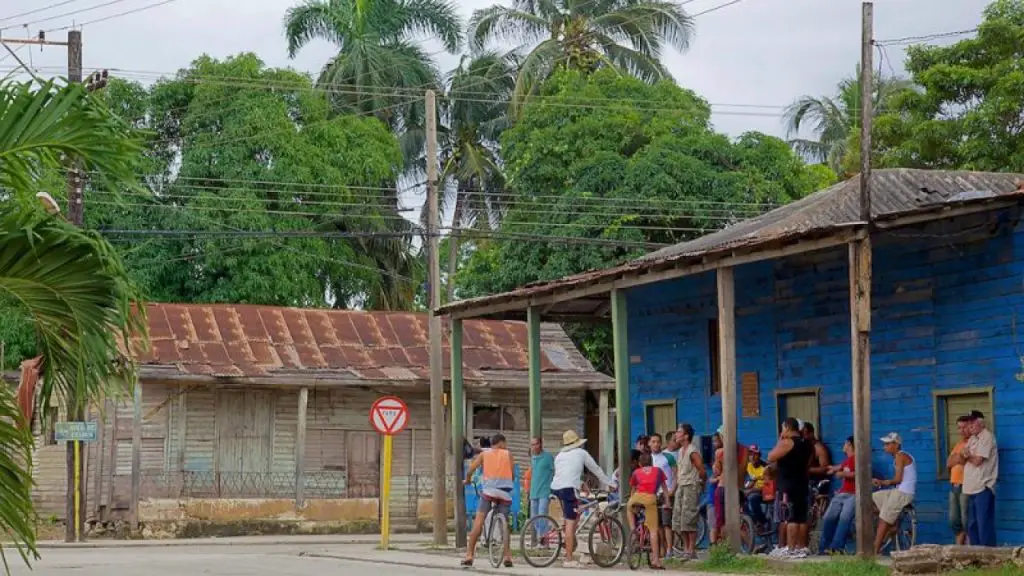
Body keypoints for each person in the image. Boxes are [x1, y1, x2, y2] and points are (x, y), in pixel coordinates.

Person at [551, 430, 616, 568]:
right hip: (569, 489)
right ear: (577, 443)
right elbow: (596, 469)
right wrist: (611, 483)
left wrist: (581, 484)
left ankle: (568, 541)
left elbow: (565, 473)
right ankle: (569, 559)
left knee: (575, 516)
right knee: (570, 523)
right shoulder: (582, 453)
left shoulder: (559, 455)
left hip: (557, 488)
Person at [462, 434, 515, 567]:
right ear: (502, 443)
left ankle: (469, 555)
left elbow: (470, 470)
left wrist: (467, 480)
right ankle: (507, 556)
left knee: (478, 522)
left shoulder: (484, 455)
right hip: (504, 494)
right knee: (505, 524)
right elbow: (513, 475)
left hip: (489, 492)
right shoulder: (508, 454)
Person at [768, 417, 812, 559]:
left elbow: (771, 456)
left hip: (788, 484)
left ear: (787, 427)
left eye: (783, 428)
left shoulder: (787, 442)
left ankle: (791, 548)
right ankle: (801, 547)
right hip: (802, 482)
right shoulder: (808, 444)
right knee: (801, 517)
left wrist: (780, 439)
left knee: (790, 517)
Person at [872, 432, 916, 555]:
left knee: (883, 519)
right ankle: (892, 525)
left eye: (887, 444)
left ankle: (874, 551)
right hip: (897, 490)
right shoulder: (899, 456)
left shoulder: (900, 456)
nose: (884, 447)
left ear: (896, 445)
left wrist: (882, 482)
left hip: (903, 493)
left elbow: (898, 479)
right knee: (870, 499)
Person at [962, 411, 998, 547]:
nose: (969, 425)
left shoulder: (987, 437)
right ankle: (976, 553)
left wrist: (967, 456)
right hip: (971, 487)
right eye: (968, 422)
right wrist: (966, 455)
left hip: (983, 487)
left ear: (981, 422)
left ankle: (988, 554)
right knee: (972, 523)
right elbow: (961, 454)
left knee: (984, 522)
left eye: (972, 422)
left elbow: (977, 460)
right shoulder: (972, 439)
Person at [628, 453, 668, 570]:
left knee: (629, 510)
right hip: (650, 499)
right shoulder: (658, 471)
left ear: (640, 464)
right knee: (653, 530)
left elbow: (633, 489)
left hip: (636, 498)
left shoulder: (636, 472)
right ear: (652, 462)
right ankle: (656, 560)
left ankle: (633, 531)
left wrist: (631, 501)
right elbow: (664, 487)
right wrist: (667, 503)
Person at [710, 425, 748, 546]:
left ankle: (724, 547)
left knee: (722, 522)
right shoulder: (745, 450)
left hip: (723, 488)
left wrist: (715, 466)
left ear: (722, 436)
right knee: (736, 520)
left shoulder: (720, 452)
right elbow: (744, 470)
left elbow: (716, 472)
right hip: (739, 488)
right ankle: (749, 543)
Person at [672, 424, 706, 561]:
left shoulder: (692, 451)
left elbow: (701, 470)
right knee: (679, 519)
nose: (676, 434)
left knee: (689, 518)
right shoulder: (680, 451)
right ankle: (686, 548)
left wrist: (701, 483)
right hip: (681, 486)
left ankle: (691, 549)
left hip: (691, 486)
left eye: (679, 432)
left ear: (686, 435)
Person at [818, 436, 856, 554]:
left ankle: (836, 547)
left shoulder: (858, 458)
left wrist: (842, 474)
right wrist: (830, 469)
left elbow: (859, 472)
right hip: (841, 494)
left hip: (853, 494)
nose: (843, 446)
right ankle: (824, 547)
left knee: (844, 518)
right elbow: (837, 468)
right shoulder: (847, 460)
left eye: (845, 444)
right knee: (829, 517)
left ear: (849, 444)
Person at [649, 433, 677, 561]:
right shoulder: (647, 459)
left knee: (667, 524)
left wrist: (672, 489)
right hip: (653, 495)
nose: (656, 444)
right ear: (649, 443)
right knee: (657, 524)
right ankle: (661, 548)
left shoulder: (668, 457)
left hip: (666, 494)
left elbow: (676, 474)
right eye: (653, 441)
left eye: (658, 441)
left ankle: (670, 550)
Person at [947, 415, 971, 545]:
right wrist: (958, 457)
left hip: (965, 485)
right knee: (954, 521)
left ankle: (969, 548)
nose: (961, 430)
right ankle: (958, 550)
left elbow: (962, 460)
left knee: (966, 519)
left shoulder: (973, 442)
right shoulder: (959, 444)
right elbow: (948, 463)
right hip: (954, 484)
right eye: (959, 428)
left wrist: (958, 458)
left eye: (964, 427)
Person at [529, 436, 555, 543]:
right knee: (534, 518)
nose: (534, 446)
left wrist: (552, 488)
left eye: (536, 444)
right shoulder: (533, 458)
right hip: (534, 491)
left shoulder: (548, 457)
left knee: (542, 515)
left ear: (541, 444)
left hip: (545, 491)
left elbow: (554, 472)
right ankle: (544, 536)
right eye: (532, 444)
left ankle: (544, 541)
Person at [745, 446, 769, 529]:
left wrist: (751, 490)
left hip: (765, 492)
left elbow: (767, 486)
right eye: (750, 454)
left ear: (759, 455)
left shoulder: (765, 468)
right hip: (754, 489)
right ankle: (756, 522)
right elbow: (751, 480)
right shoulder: (749, 466)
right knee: (740, 500)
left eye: (755, 454)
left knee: (752, 498)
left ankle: (764, 521)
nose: (752, 457)